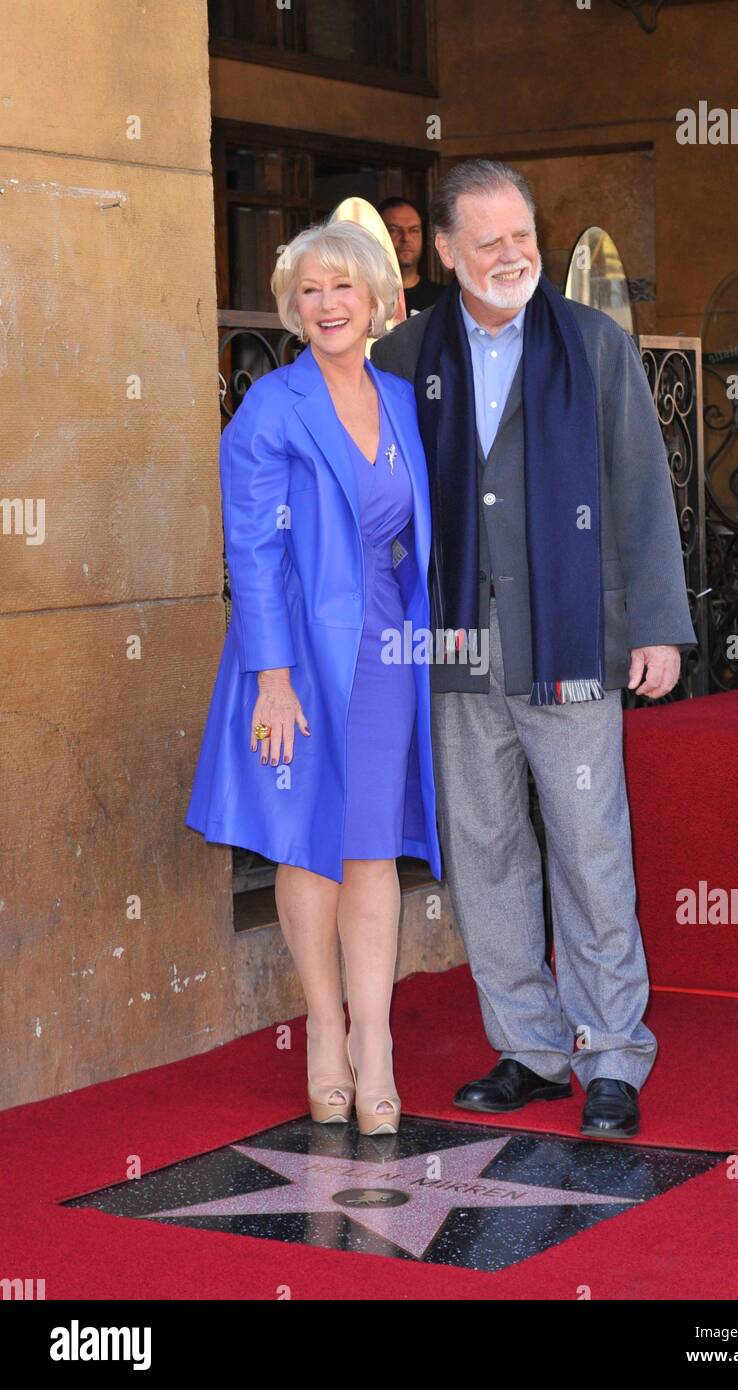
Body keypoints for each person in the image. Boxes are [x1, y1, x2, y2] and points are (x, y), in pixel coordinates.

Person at [371, 159, 697, 1139]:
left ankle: (609, 1053)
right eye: (488, 241)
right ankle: (527, 1044)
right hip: (454, 643)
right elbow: (386, 507)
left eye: (522, 235)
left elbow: (641, 490)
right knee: (482, 850)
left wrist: (657, 625)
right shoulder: (401, 355)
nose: (512, 254)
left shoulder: (593, 344)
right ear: (442, 252)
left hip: (572, 638)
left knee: (591, 849)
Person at [185, 219, 441, 1136]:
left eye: (343, 288)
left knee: (370, 846)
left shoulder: (408, 401)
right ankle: (322, 1034)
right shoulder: (270, 407)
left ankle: (374, 1043)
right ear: (292, 309)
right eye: (308, 291)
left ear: (376, 299)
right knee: (306, 841)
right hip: (293, 650)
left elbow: (422, 539)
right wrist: (271, 678)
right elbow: (250, 549)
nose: (326, 304)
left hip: (385, 653)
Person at [377, 197, 445, 314]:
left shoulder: (444, 299)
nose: (406, 238)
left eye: (414, 230)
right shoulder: (364, 298)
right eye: (394, 230)